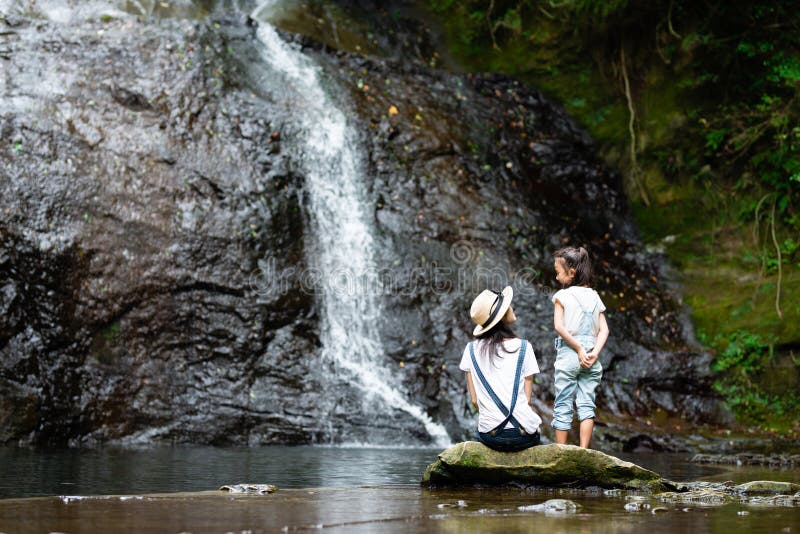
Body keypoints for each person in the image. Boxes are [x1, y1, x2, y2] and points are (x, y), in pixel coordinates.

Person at [459, 286, 542, 452]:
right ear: (502, 315)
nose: (512, 307)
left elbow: (475, 401)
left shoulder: (470, 350)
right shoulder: (524, 347)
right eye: (508, 305)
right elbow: (527, 400)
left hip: (490, 435)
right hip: (522, 434)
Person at [551, 246, 610, 449]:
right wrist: (594, 353)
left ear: (571, 273)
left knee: (563, 402)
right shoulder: (595, 296)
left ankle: (561, 451)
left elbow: (559, 326)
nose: (557, 277)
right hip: (591, 358)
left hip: (570, 355)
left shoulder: (562, 296)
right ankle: (584, 450)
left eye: (558, 272)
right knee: (587, 404)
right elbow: (604, 330)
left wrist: (578, 348)